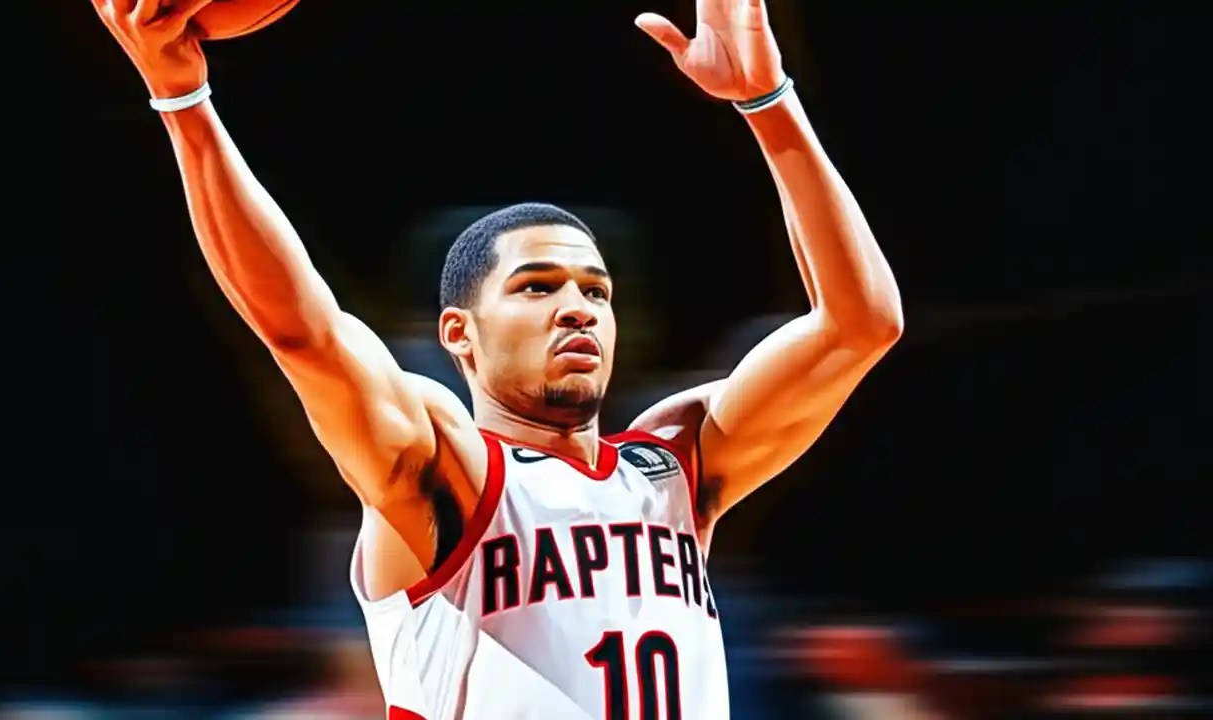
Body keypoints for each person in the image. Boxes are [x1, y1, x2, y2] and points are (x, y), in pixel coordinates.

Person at [89, 0, 903, 717]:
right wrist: (183, 100)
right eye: (538, 286)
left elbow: (862, 324)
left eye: (596, 290)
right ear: (459, 334)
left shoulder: (674, 464)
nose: (578, 306)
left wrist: (768, 102)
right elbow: (302, 330)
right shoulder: (444, 466)